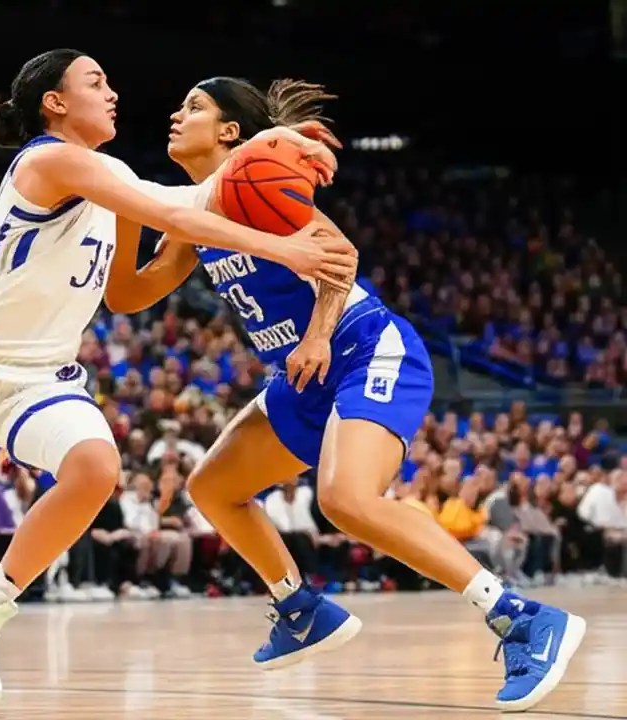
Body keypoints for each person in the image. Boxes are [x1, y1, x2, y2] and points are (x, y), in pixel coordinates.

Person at [0, 48, 358, 702]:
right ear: (55, 101)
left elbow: (196, 194)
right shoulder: (49, 160)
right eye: (95, 82)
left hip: (43, 376)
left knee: (96, 468)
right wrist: (284, 245)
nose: (112, 93)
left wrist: (271, 141)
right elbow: (179, 213)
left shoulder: (110, 172)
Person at [103, 75, 584, 712]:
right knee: (213, 487)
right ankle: (301, 610)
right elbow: (127, 296)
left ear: (229, 132)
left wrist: (319, 334)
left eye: (194, 106)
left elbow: (341, 253)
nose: (174, 114)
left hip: (359, 345)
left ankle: (523, 618)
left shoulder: (254, 175)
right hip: (300, 376)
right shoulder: (190, 212)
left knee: (346, 499)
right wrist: (117, 208)